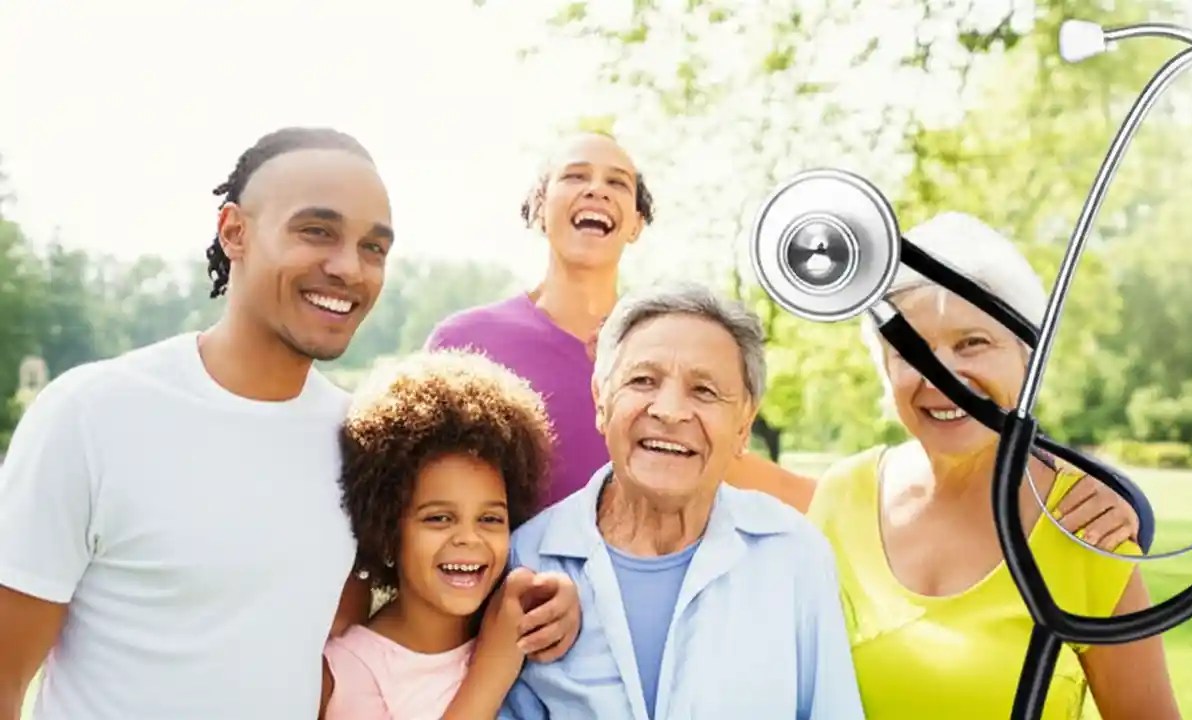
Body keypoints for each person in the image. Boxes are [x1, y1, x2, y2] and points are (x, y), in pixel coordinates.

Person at [0, 127, 575, 720]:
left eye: (374, 247)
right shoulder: (92, 417)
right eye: (316, 231)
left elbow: (398, 610)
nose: (349, 267)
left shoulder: (358, 443)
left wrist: (552, 603)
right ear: (234, 232)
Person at [806, 212, 1181, 719]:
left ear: (1026, 359)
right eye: (911, 351)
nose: (942, 376)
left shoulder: (1086, 524)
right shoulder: (840, 495)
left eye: (972, 343)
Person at [498, 283, 866, 719]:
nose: (670, 412)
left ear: (744, 424)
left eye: (705, 391)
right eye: (643, 381)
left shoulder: (794, 555)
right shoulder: (527, 561)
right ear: (601, 401)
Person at [426, 130, 816, 513]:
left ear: (636, 224)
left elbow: (726, 464)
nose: (597, 189)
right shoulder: (466, 343)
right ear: (540, 207)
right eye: (575, 176)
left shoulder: (670, 347)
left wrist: (867, 492)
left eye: (618, 182)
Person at [322, 350, 577, 719]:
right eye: (439, 518)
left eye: (490, 519)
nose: (469, 538)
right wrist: (492, 670)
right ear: (387, 530)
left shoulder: (512, 618)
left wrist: (564, 602)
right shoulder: (353, 671)